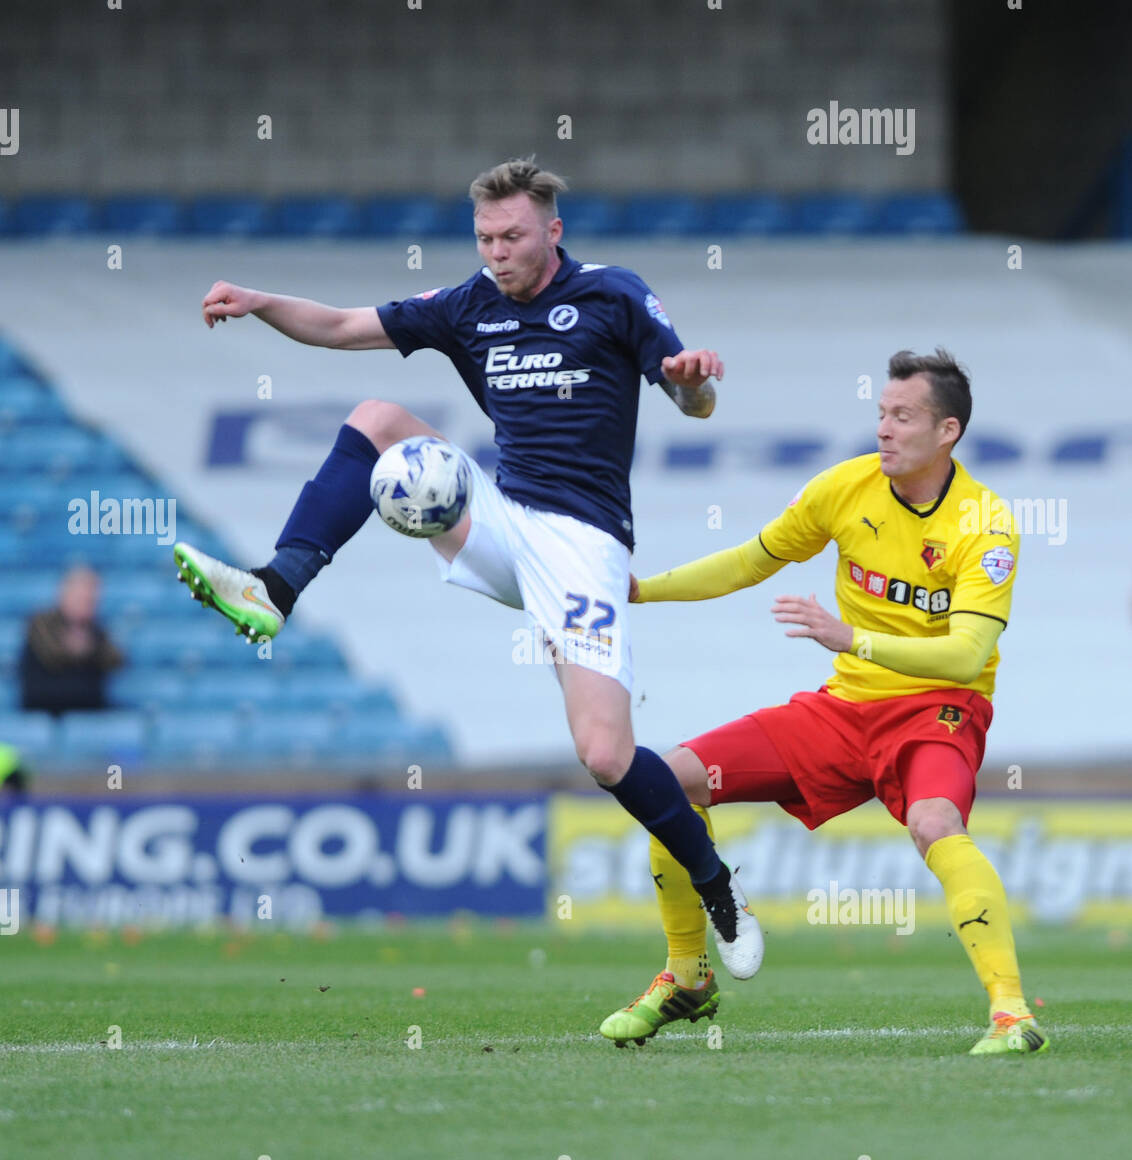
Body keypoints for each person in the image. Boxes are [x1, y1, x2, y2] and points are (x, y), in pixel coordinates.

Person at [172, 158, 760, 975]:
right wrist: (262, 302)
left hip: (581, 547)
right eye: (485, 237)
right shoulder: (466, 305)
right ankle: (276, 587)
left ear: (552, 231)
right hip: (499, 517)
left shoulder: (613, 294)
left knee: (604, 756)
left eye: (513, 236)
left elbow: (689, 394)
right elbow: (344, 327)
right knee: (379, 417)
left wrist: (695, 387)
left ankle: (716, 884)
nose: (497, 252)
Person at [601, 349, 1048, 1057]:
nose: (884, 429)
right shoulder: (844, 488)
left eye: (903, 417)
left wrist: (852, 638)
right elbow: (752, 560)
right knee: (666, 780)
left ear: (948, 432)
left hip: (937, 710)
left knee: (935, 822)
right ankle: (687, 977)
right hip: (842, 712)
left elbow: (965, 656)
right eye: (881, 414)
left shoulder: (986, 524)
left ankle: (1011, 1014)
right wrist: (643, 590)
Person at [19, 566, 124, 716]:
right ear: (64, 594)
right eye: (80, 596)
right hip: (41, 720)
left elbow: (114, 665)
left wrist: (91, 648)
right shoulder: (40, 627)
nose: (87, 602)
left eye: (91, 598)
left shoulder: (98, 634)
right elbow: (35, 690)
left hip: (88, 723)